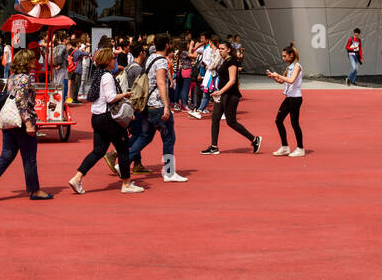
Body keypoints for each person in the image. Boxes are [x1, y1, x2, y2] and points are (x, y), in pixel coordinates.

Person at [0, 49, 52, 202]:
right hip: (21, 121)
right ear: (26, 62)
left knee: (6, 155)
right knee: (29, 156)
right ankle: (35, 190)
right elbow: (21, 102)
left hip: (8, 121)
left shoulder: (12, 78)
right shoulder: (25, 79)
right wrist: (28, 123)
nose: (35, 62)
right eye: (32, 59)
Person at [68, 49, 144, 194]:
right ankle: (126, 184)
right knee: (122, 149)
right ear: (107, 61)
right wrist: (125, 95)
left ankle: (78, 177)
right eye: (113, 58)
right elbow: (110, 98)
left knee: (98, 150)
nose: (115, 61)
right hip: (108, 119)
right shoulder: (108, 76)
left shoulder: (98, 75)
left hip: (97, 117)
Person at [126, 35, 188, 182]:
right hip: (158, 105)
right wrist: (167, 106)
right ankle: (168, 171)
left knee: (146, 136)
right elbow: (161, 83)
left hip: (148, 104)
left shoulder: (151, 57)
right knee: (169, 138)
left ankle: (124, 162)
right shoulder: (161, 62)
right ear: (167, 45)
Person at [201, 40, 262, 156]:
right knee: (215, 118)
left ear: (228, 49)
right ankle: (214, 146)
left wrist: (220, 92)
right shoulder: (224, 60)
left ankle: (254, 139)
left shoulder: (232, 61)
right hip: (223, 94)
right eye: (219, 48)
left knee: (231, 122)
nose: (220, 50)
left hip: (231, 95)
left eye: (222, 49)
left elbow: (232, 80)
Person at [266, 43, 305, 156]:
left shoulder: (297, 66)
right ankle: (285, 147)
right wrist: (274, 77)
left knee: (294, 123)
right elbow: (283, 81)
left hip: (295, 98)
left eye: (284, 56)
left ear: (291, 55)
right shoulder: (289, 67)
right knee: (278, 120)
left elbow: (291, 80)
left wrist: (278, 75)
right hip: (289, 98)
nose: (283, 58)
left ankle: (300, 148)